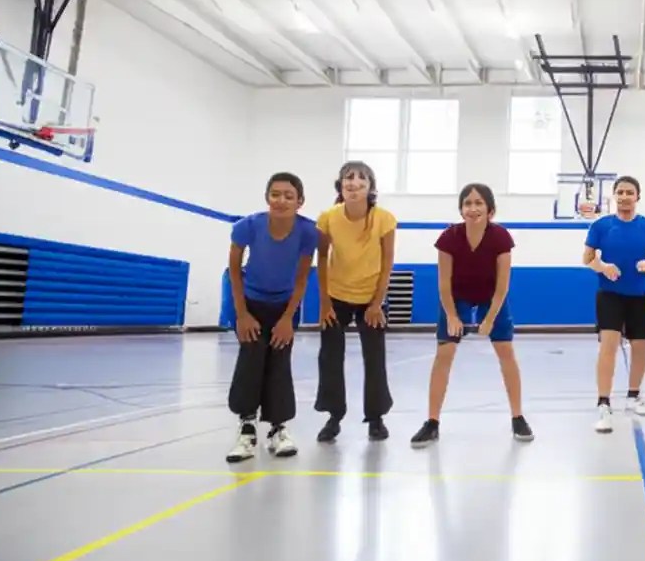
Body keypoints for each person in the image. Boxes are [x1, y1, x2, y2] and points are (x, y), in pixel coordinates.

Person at [410, 183, 533, 448]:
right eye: (468, 203)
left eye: (479, 203)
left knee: (506, 353)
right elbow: (444, 284)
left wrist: (489, 319)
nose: (473, 208)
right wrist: (453, 316)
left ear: (490, 210)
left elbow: (503, 286)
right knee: (444, 354)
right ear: (461, 209)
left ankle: (518, 417)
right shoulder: (449, 238)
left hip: (492, 298)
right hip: (457, 297)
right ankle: (432, 422)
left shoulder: (501, 238)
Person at [225, 172, 318, 463]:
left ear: (299, 202)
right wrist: (241, 314)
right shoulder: (247, 227)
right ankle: (247, 427)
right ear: (267, 197)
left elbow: (302, 278)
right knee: (250, 361)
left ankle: (278, 429)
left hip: (284, 307)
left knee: (279, 363)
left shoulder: (308, 232)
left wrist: (288, 318)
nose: (281, 200)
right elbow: (233, 271)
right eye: (275, 194)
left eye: (289, 196)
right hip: (251, 304)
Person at [314, 161, 397, 443]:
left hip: (370, 297)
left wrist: (376, 303)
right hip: (337, 294)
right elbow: (322, 258)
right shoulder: (327, 217)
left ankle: (376, 417)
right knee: (330, 357)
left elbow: (387, 263)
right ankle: (333, 416)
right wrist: (324, 303)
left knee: (374, 358)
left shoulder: (384, 219)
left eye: (362, 179)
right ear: (340, 185)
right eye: (348, 178)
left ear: (370, 187)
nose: (354, 182)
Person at [583, 176, 645, 433]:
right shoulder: (601, 226)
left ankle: (633, 396)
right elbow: (587, 259)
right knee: (608, 346)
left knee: (641, 346)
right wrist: (603, 267)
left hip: (638, 296)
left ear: (637, 197)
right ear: (614, 196)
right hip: (609, 295)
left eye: (629, 192)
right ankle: (604, 404)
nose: (624, 196)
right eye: (620, 192)